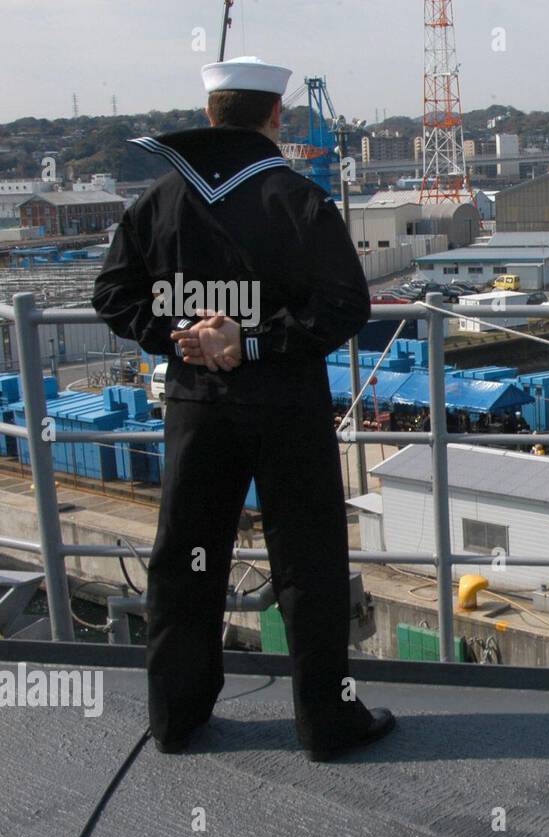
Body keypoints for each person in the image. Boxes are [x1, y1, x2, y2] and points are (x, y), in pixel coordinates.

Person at [92, 56, 395, 762]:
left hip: (197, 406)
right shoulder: (298, 199)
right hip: (285, 405)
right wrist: (251, 342)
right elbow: (346, 305)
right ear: (275, 117)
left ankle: (176, 716)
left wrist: (179, 336)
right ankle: (327, 722)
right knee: (308, 563)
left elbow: (113, 293)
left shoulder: (160, 200)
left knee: (185, 560)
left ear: (209, 114)